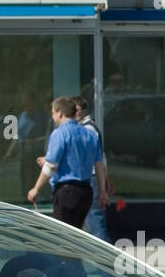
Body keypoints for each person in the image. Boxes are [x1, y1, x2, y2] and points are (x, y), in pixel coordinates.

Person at [27, 96, 109, 229]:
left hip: (67, 192)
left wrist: (36, 189)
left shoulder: (59, 134)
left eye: (53, 113)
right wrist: (102, 191)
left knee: (63, 237)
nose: (53, 117)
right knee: (77, 233)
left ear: (59, 112)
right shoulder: (89, 135)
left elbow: (51, 165)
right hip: (86, 191)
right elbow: (99, 164)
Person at [73, 95, 112, 241]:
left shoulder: (88, 129)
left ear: (83, 110)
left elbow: (96, 158)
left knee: (95, 220)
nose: (74, 113)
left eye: (76, 110)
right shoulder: (84, 128)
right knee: (91, 220)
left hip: (92, 178)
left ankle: (107, 257)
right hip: (92, 177)